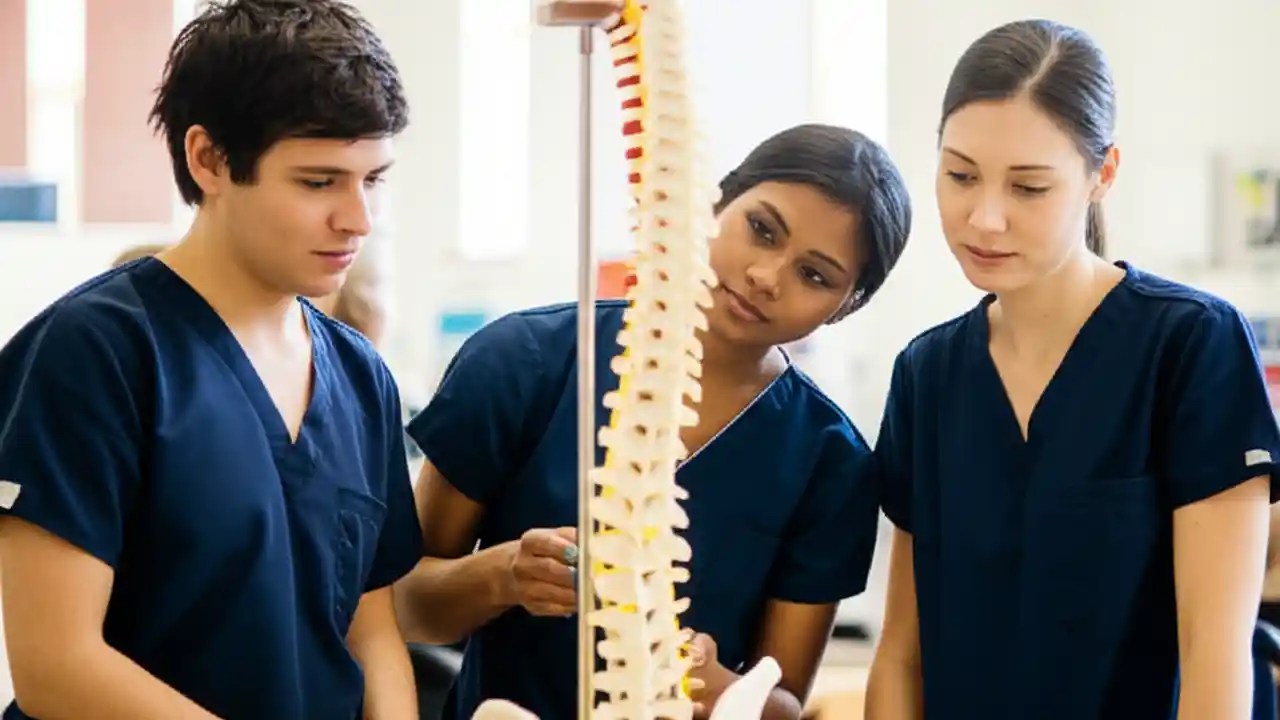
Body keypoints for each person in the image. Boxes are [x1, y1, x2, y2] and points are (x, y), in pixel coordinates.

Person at [393, 123, 912, 720]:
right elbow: (405, 603)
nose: (767, 277)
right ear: (715, 204)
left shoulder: (829, 460)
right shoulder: (524, 362)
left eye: (815, 275)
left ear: (847, 305)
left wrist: (717, 688)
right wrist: (504, 576)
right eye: (761, 230)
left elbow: (785, 704)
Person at [0, 2, 422, 718]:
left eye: (373, 179)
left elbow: (371, 628)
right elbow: (56, 664)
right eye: (318, 183)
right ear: (210, 159)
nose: (357, 219)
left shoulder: (359, 377)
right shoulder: (95, 353)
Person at [864, 19, 1280, 720]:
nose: (984, 218)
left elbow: (1215, 656)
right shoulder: (927, 375)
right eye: (960, 175)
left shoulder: (1189, 346)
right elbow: (903, 654)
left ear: (1101, 175)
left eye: (1028, 188)